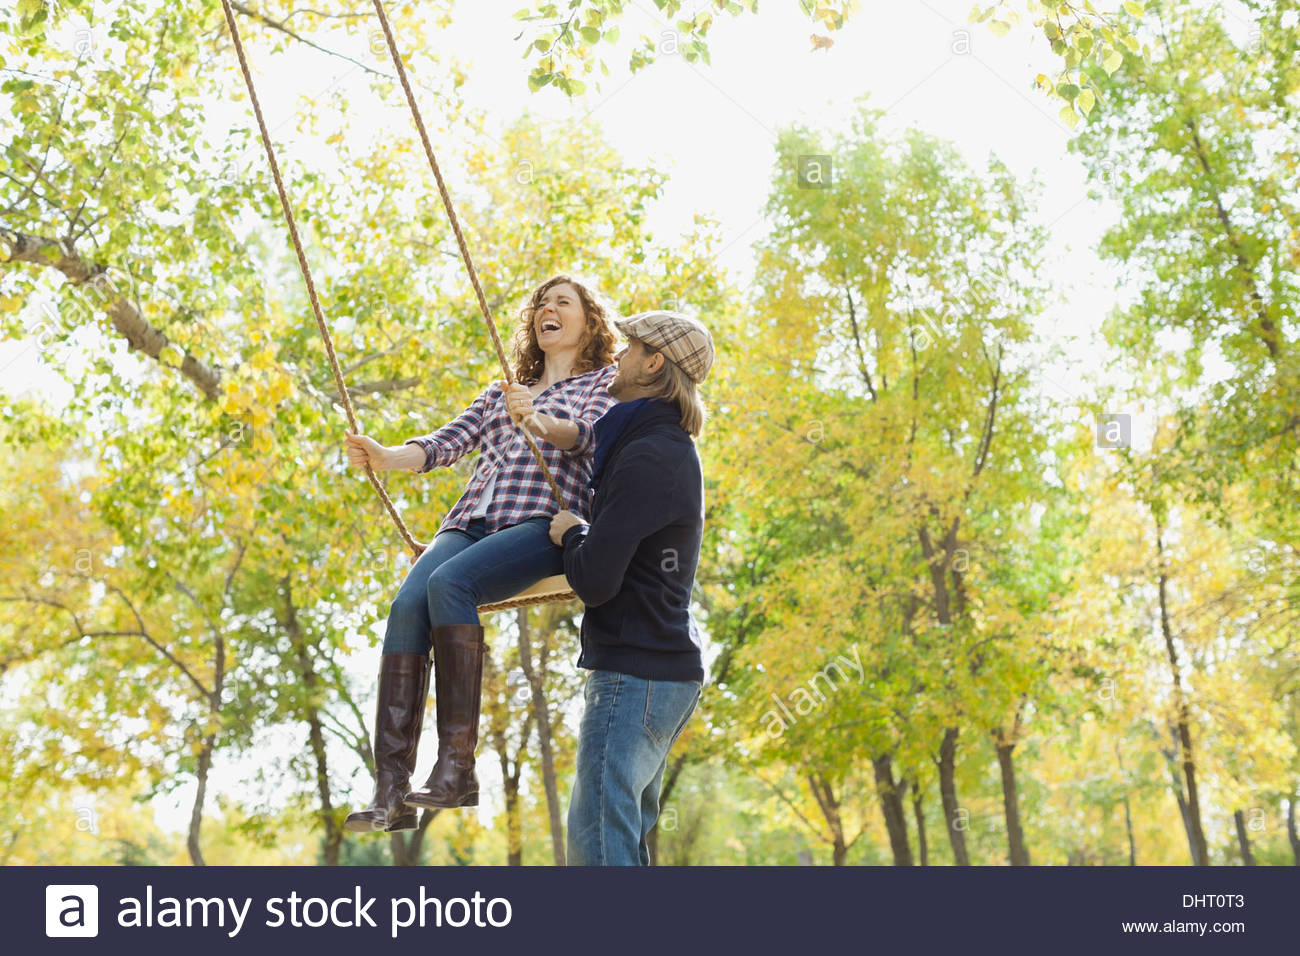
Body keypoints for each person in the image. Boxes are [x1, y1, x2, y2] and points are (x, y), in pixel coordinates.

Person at [341, 275, 617, 832]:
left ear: (588, 322)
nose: (549, 309)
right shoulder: (500, 392)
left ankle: (457, 767)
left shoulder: (603, 382)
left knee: (450, 586)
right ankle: (391, 791)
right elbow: (447, 442)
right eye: (542, 303)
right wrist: (386, 456)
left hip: (544, 522)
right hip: (471, 521)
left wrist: (538, 420)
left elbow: (590, 438)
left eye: (564, 302)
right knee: (406, 607)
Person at [548, 309, 714, 866]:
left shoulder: (650, 454)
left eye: (629, 347)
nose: (617, 357)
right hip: (656, 673)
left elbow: (595, 579)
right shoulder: (658, 447)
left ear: (653, 363)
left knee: (599, 845)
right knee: (618, 842)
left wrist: (573, 534)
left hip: (635, 675)